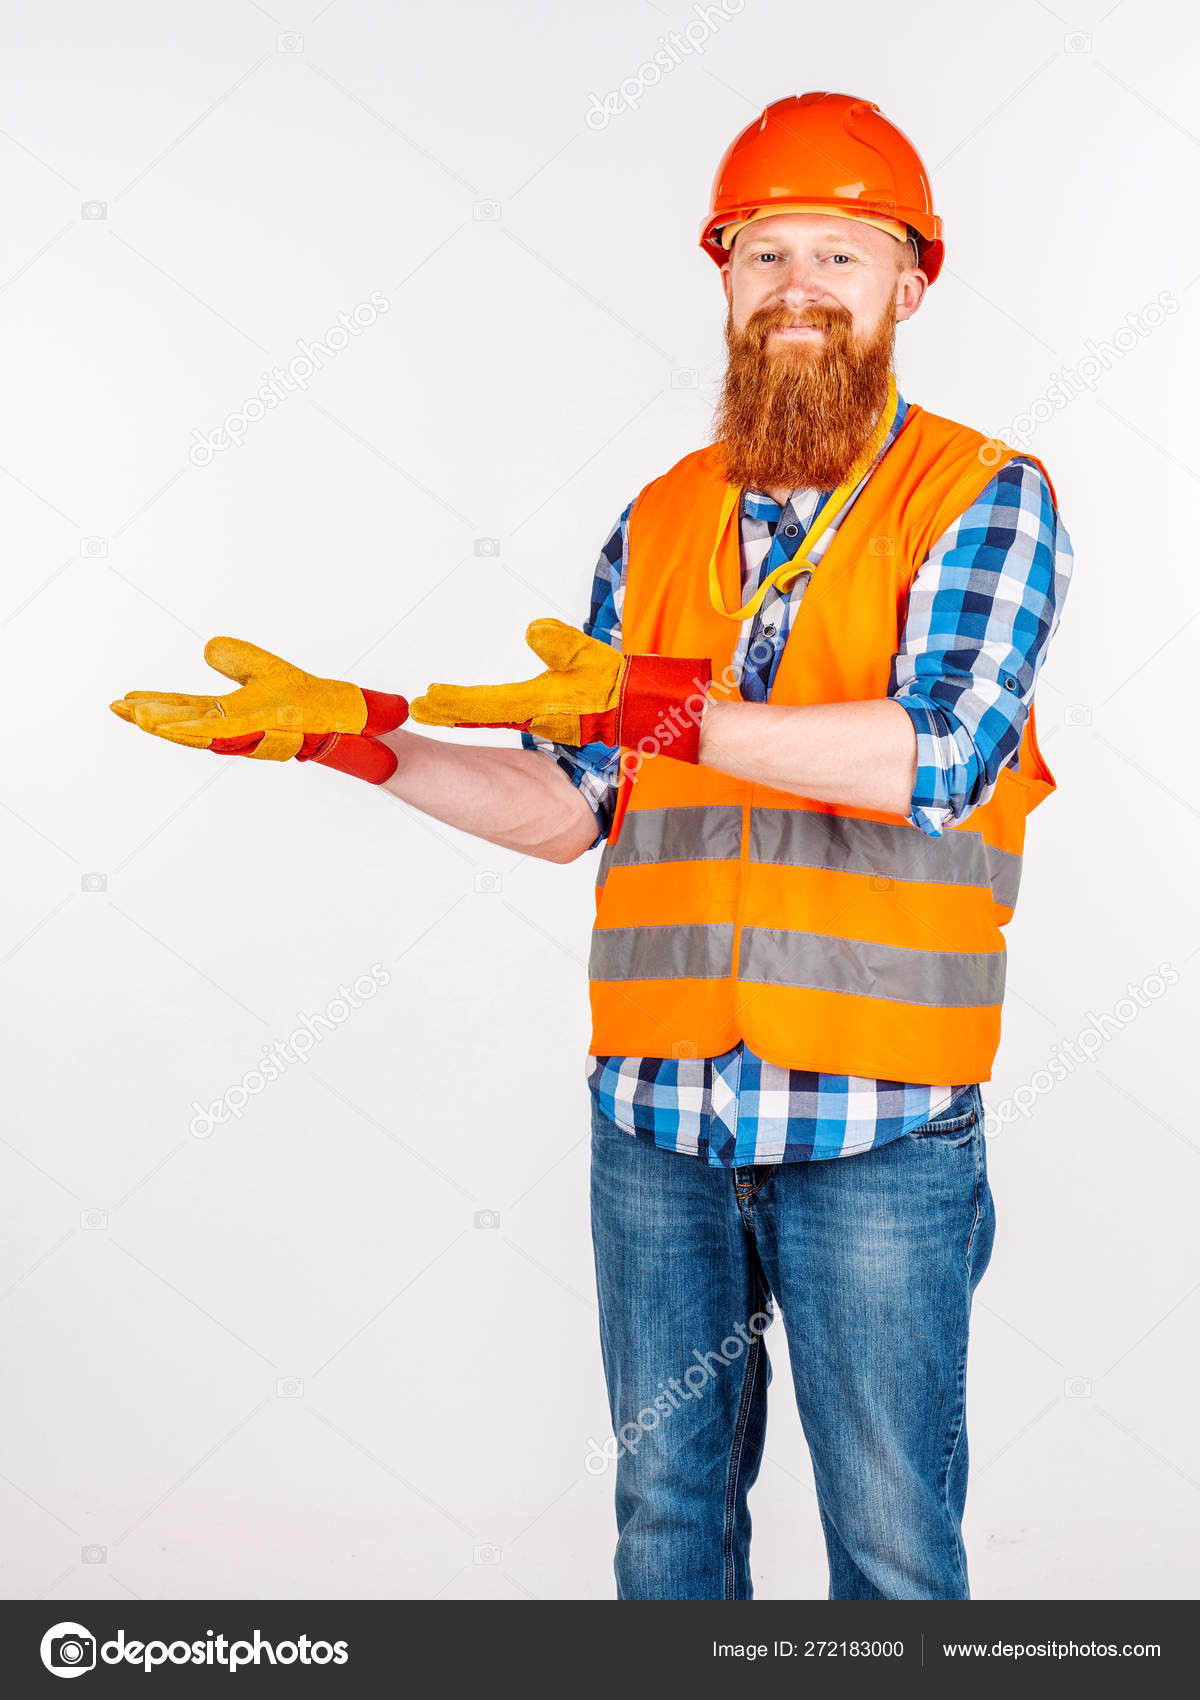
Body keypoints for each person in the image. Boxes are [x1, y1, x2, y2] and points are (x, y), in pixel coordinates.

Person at [111, 91, 1073, 1601]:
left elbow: (940, 752)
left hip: (875, 1129)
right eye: (767, 256)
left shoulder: (982, 496)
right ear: (725, 280)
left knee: (891, 1548)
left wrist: (667, 708)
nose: (800, 289)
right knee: (667, 1526)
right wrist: (357, 740)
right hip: (659, 1123)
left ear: (911, 286)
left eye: (842, 254)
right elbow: (571, 802)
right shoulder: (663, 518)